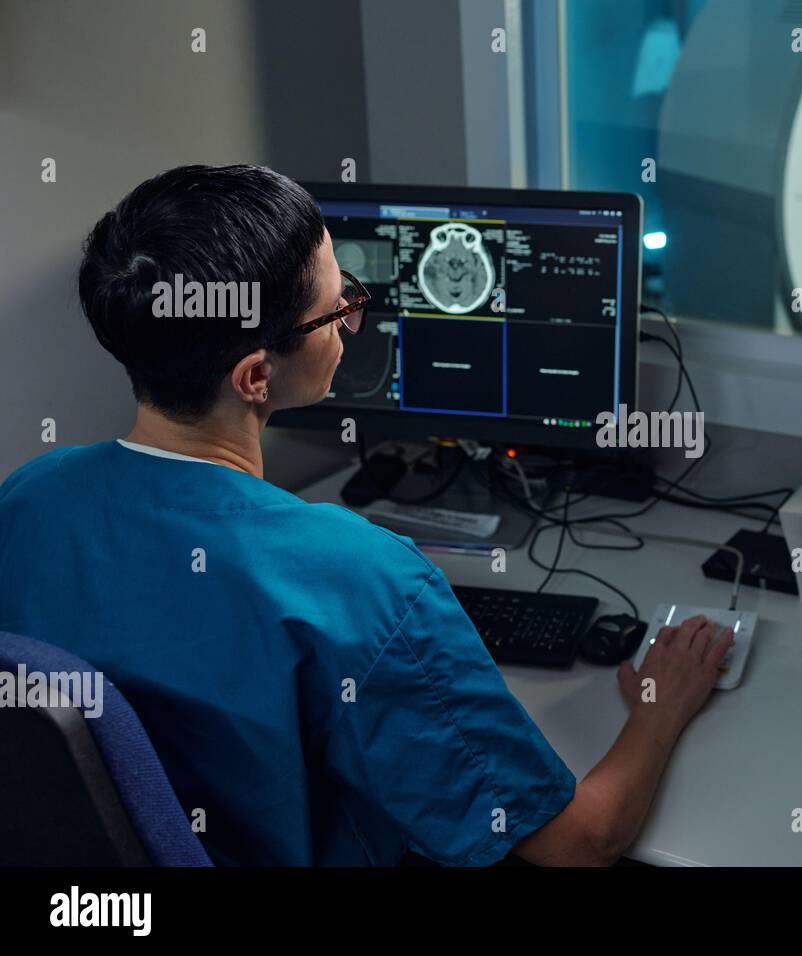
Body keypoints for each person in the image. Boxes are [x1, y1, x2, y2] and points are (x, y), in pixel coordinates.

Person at [0, 164, 733, 866]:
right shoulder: (362, 578)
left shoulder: (28, 497)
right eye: (338, 306)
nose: (353, 319)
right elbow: (580, 844)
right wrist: (658, 707)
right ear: (256, 375)